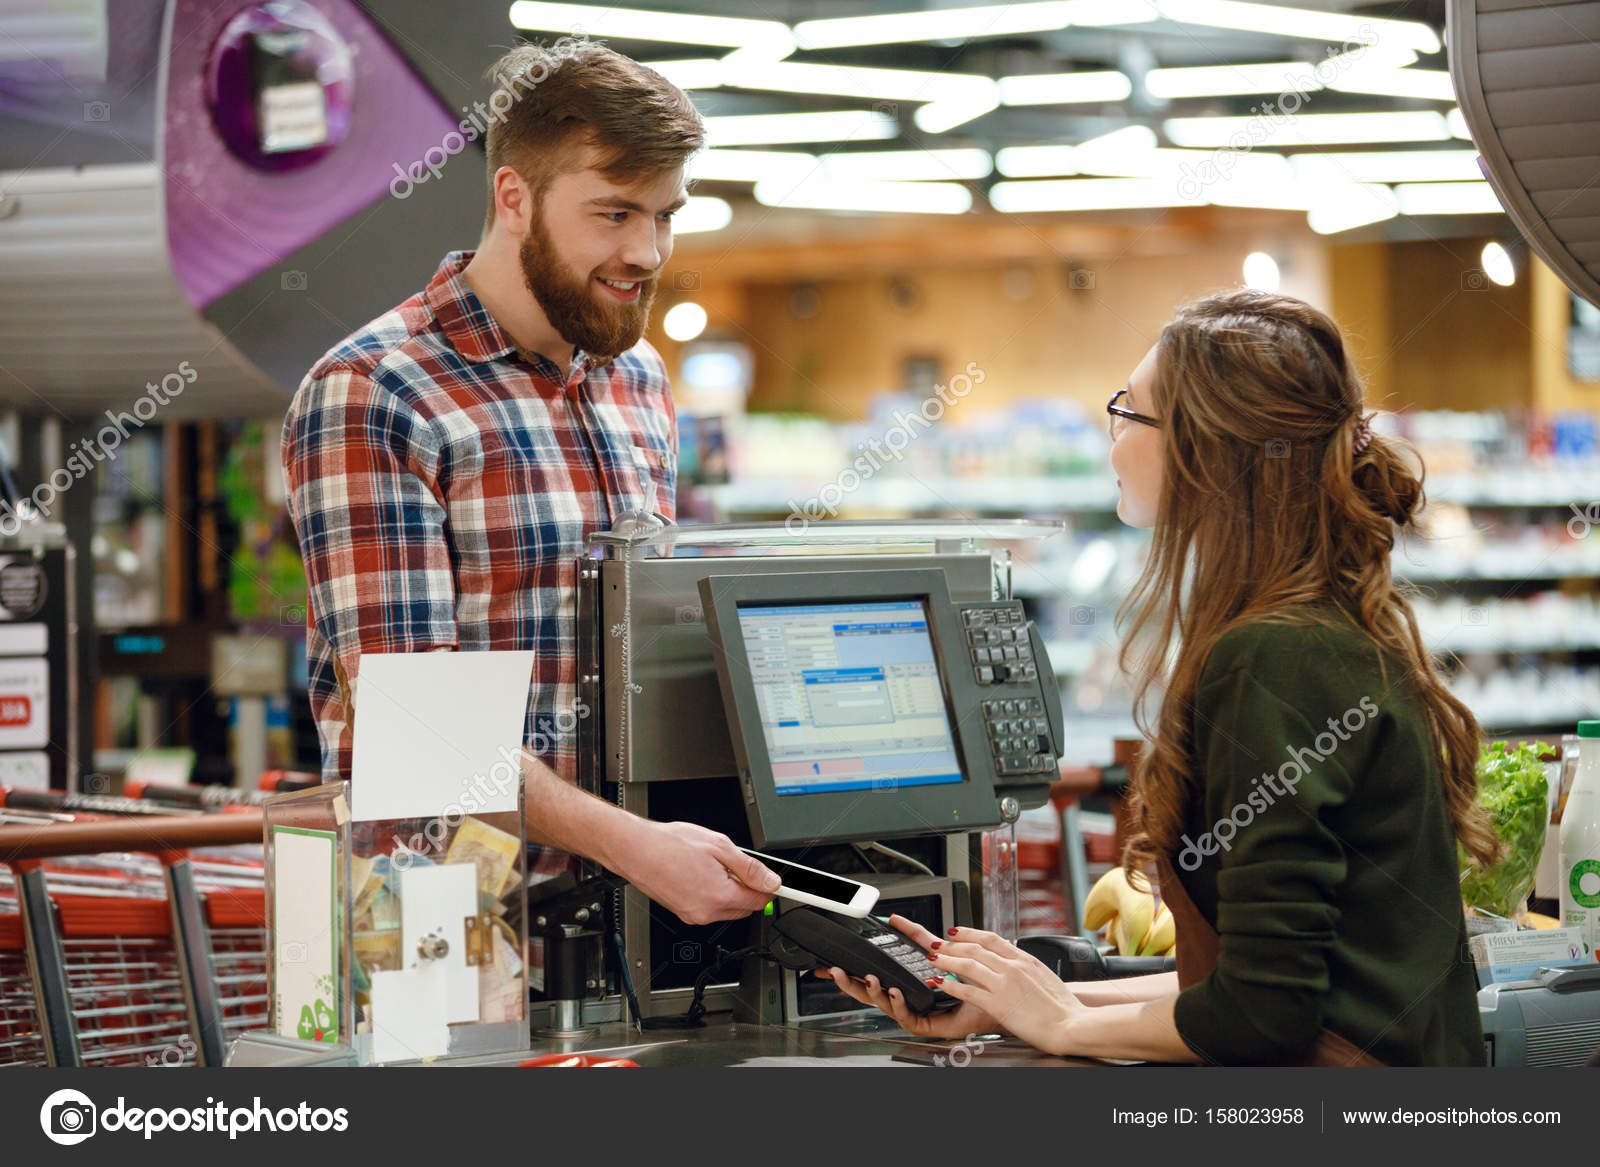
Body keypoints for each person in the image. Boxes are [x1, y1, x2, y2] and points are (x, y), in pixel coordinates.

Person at [824, 290, 1493, 1065]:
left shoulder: (1270, 657)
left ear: (1204, 450)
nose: (1112, 443)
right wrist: (1034, 1000)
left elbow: (1265, 1016)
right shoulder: (1320, 629)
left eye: (1127, 411)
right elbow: (1268, 988)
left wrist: (1067, 1027)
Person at [281, 41, 776, 926]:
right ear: (514, 197)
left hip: (633, 907)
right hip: (438, 916)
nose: (647, 251)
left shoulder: (638, 380)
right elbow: (415, 721)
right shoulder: (377, 391)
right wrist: (636, 843)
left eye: (666, 216)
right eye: (614, 213)